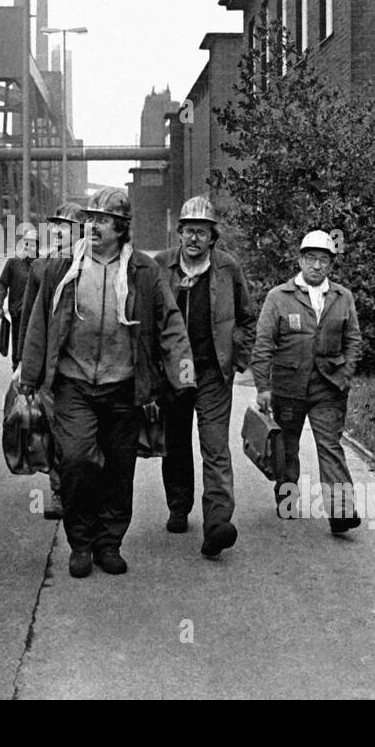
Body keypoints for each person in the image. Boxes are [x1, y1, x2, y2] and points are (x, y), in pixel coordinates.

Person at [20, 189, 194, 578]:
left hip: (123, 388)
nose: (93, 226)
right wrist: (30, 376)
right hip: (73, 383)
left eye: (102, 220)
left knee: (119, 470)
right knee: (78, 461)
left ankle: (109, 543)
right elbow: (39, 324)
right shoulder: (62, 267)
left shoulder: (145, 272)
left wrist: (183, 376)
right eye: (90, 219)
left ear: (121, 228)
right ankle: (81, 543)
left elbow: (170, 324)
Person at [157, 196, 258, 559]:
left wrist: (237, 358)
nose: (194, 239)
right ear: (179, 233)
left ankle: (217, 523)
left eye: (201, 232)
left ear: (213, 237)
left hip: (213, 372)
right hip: (173, 373)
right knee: (177, 443)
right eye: (188, 231)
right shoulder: (161, 267)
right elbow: (147, 318)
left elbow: (247, 316)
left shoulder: (227, 268)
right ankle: (178, 506)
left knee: (215, 447)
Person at [251, 230, 364, 534]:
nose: (316, 265)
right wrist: (263, 386)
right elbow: (263, 344)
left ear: (331, 265)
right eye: (311, 258)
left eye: (323, 260)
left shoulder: (342, 297)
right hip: (288, 387)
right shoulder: (279, 297)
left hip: (328, 386)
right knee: (287, 447)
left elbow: (353, 340)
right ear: (300, 260)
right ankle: (287, 498)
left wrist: (346, 374)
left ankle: (341, 511)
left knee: (330, 446)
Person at [16, 202, 84, 521]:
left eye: (65, 227)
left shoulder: (91, 269)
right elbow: (30, 319)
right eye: (54, 226)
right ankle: (58, 492)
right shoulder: (41, 268)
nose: (57, 232)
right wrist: (23, 365)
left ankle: (83, 491)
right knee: (53, 432)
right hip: (49, 370)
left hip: (81, 367)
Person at [0, 225, 39, 368]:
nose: (27, 245)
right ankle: (16, 369)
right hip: (18, 312)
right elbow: (2, 284)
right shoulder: (13, 262)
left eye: (31, 242)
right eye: (25, 242)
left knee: (35, 344)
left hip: (36, 313)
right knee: (18, 343)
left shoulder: (42, 264)